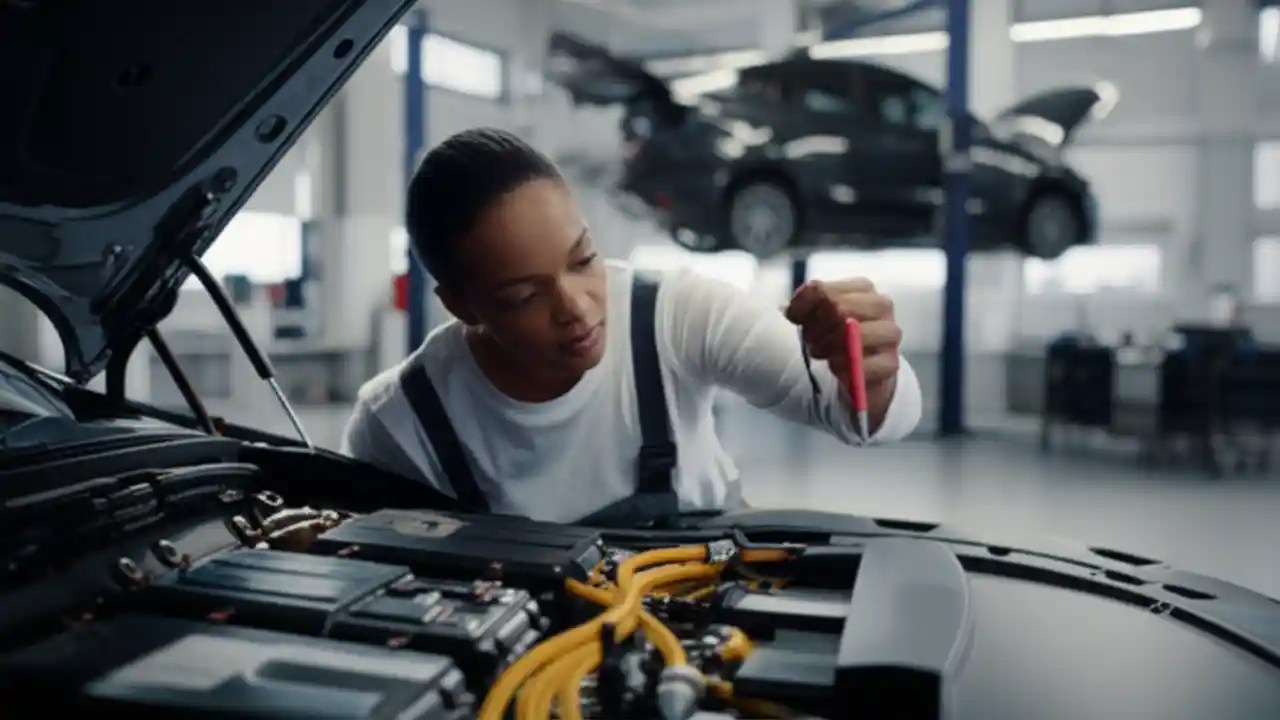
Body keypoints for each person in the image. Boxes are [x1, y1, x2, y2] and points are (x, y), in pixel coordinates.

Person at [341, 127, 922, 525]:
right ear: (462, 307)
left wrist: (872, 379)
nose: (576, 306)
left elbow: (862, 421)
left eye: (583, 259)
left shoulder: (674, 314)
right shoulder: (399, 420)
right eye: (522, 296)